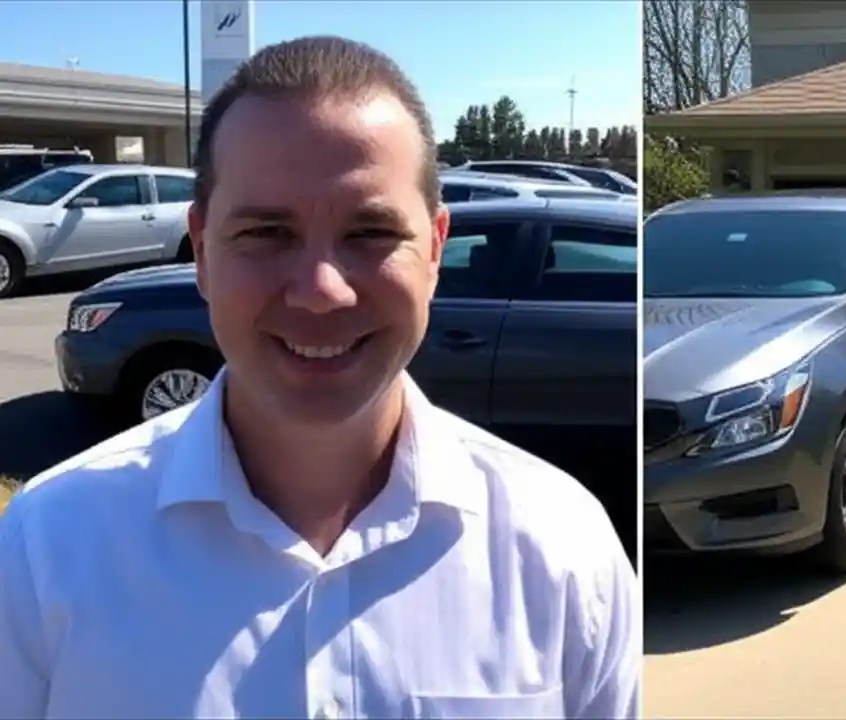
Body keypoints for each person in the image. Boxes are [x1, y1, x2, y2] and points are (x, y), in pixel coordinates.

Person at [0, 36, 639, 719]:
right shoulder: (48, 546)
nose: (320, 291)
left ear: (434, 249)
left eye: (369, 233)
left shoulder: (561, 548)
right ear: (203, 253)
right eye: (267, 234)